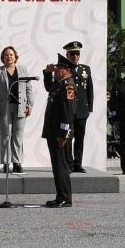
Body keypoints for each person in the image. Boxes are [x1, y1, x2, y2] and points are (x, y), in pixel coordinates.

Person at [0, 46, 34, 174]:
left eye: (11, 55)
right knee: (6, 135)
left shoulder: (23, 70)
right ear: (3, 58)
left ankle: (17, 163)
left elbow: (29, 89)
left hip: (20, 107)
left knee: (18, 135)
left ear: (15, 57)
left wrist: (30, 105)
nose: (9, 57)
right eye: (6, 55)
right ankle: (6, 163)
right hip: (4, 108)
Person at [41, 54, 78, 208]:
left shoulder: (68, 86)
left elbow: (68, 113)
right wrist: (47, 73)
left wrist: (63, 134)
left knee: (61, 166)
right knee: (57, 166)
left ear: (67, 70)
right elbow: (49, 87)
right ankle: (60, 196)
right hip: (53, 132)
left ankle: (65, 198)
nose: (56, 70)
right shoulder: (60, 84)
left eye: (58, 68)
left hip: (59, 134)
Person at [62, 41, 93, 173]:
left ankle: (77, 164)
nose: (75, 56)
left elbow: (90, 88)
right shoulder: (64, 69)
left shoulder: (85, 69)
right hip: (69, 109)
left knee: (80, 138)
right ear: (67, 54)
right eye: (73, 54)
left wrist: (90, 106)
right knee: (68, 137)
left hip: (81, 109)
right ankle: (68, 164)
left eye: (77, 54)